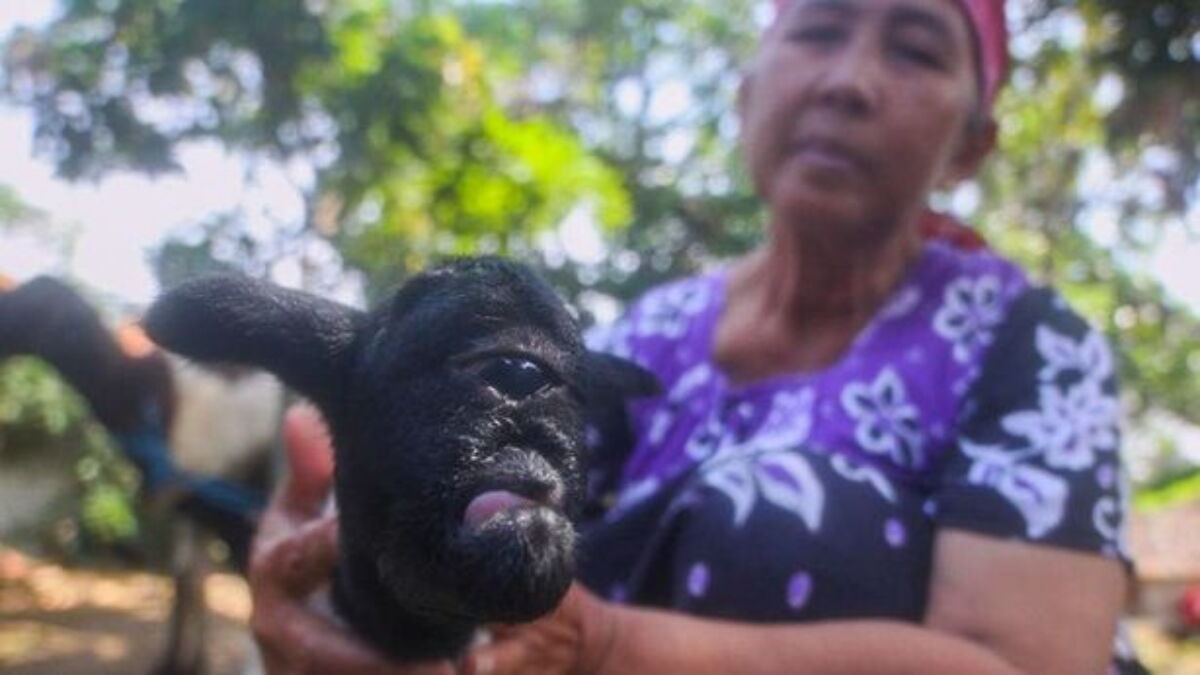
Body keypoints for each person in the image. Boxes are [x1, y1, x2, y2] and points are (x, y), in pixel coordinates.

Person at [247, 0, 1145, 672]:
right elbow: (485, 505)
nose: (849, 81)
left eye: (915, 49)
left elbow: (1024, 665)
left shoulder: (1025, 345)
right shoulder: (654, 331)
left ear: (971, 147)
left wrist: (612, 643)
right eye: (819, 30)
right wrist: (346, 558)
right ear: (750, 94)